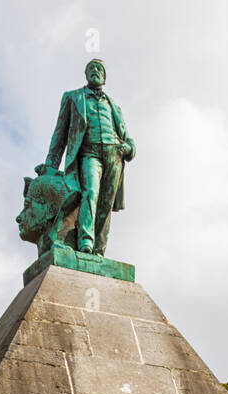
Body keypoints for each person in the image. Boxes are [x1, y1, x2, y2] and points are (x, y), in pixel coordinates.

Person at [41, 59, 135, 256]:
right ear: (86, 75)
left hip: (114, 155)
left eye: (99, 68)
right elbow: (60, 133)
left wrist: (129, 147)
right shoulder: (73, 97)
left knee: (105, 204)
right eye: (91, 68)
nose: (95, 71)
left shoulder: (114, 107)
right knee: (90, 193)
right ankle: (86, 241)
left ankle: (99, 250)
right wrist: (51, 164)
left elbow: (127, 138)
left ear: (104, 77)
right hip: (88, 153)